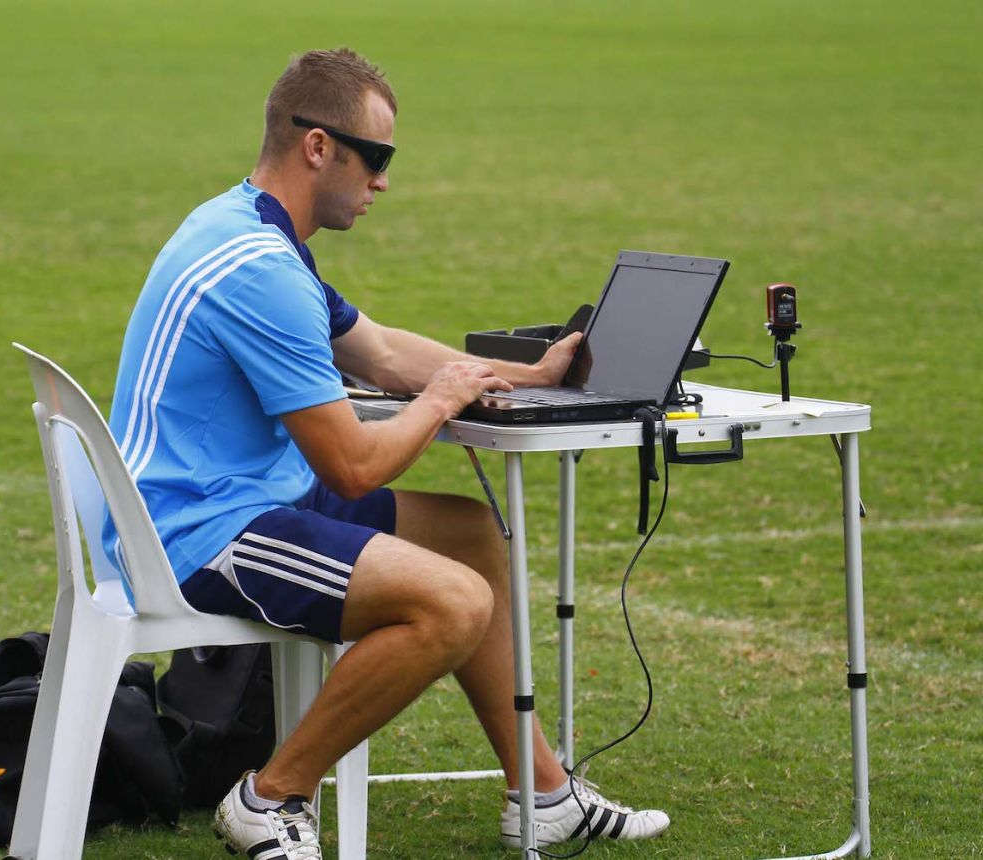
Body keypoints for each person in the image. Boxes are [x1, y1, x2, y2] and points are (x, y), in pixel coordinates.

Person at [104, 48, 670, 859]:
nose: (383, 182)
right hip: (195, 532)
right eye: (378, 158)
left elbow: (378, 353)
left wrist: (526, 374)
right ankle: (270, 797)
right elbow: (356, 466)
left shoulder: (245, 224)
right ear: (318, 147)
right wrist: (441, 401)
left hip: (233, 499)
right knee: (453, 603)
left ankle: (542, 792)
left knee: (473, 533)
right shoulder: (261, 273)